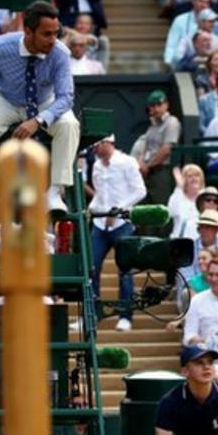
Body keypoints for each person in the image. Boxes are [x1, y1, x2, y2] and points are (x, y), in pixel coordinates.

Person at [0, 1, 81, 229]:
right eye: (46, 34)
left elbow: (66, 97)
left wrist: (37, 121)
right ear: (27, 30)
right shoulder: (0, 46)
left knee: (69, 124)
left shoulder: (60, 53)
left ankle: (55, 193)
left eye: (56, 33)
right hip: (5, 100)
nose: (53, 39)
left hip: (46, 102)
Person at [87, 135, 147, 332]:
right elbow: (99, 194)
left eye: (97, 144)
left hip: (122, 224)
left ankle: (125, 316)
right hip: (99, 224)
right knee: (91, 269)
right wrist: (92, 208)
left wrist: (118, 209)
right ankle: (92, 316)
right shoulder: (96, 165)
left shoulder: (127, 162)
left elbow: (140, 191)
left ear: (108, 143)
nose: (94, 147)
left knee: (125, 272)